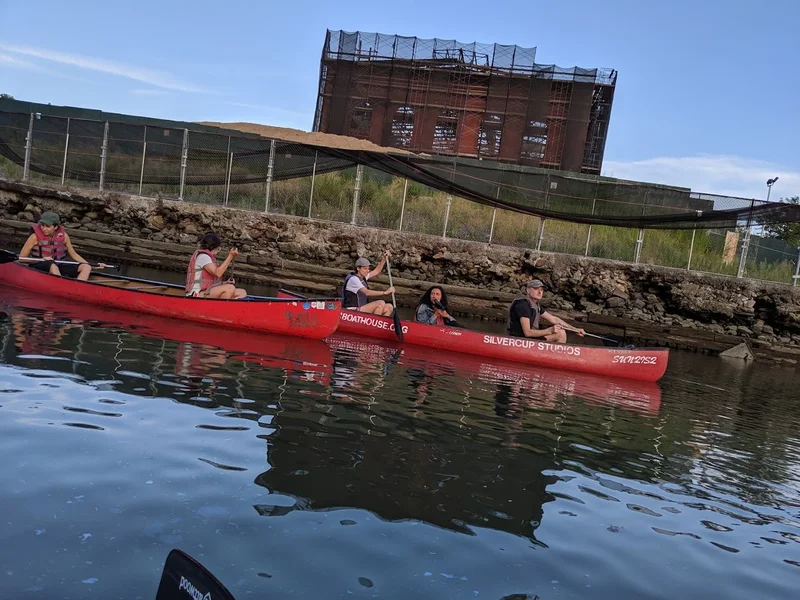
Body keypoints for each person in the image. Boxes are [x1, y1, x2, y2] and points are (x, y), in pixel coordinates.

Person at [18, 211, 106, 280]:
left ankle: (78, 288)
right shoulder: (34, 237)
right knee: (52, 265)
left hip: (59, 265)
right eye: (42, 225)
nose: (43, 228)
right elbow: (22, 259)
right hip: (39, 265)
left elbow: (74, 254)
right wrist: (41, 259)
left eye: (47, 226)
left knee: (86, 267)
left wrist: (92, 265)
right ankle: (61, 285)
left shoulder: (64, 237)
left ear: (55, 227)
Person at [507, 279, 585, 343]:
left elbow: (554, 319)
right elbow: (527, 332)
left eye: (541, 289)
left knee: (561, 332)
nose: (540, 292)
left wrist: (575, 329)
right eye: (536, 289)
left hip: (531, 340)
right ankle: (555, 358)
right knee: (561, 334)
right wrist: (549, 330)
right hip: (520, 341)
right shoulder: (523, 305)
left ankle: (554, 357)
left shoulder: (536, 306)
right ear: (528, 290)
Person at [185, 232, 247, 299]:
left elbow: (212, 282)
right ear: (215, 248)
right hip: (197, 294)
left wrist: (225, 282)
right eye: (218, 248)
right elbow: (218, 273)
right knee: (230, 288)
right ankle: (221, 308)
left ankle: (227, 306)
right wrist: (231, 256)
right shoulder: (203, 257)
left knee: (242, 293)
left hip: (207, 291)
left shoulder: (208, 257)